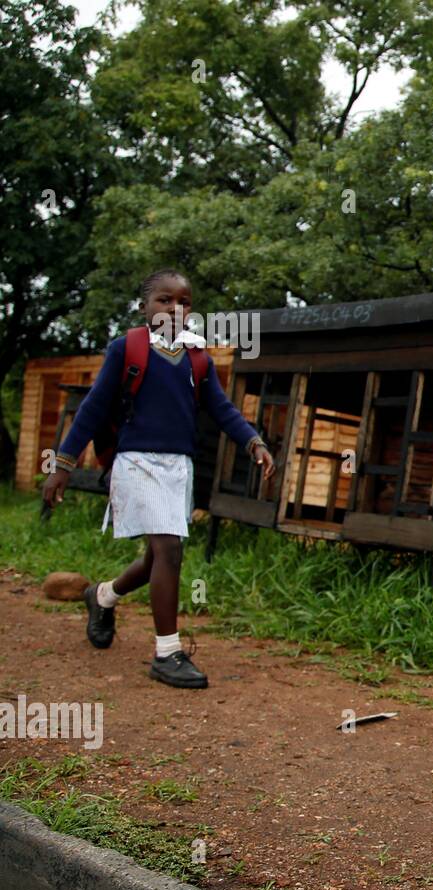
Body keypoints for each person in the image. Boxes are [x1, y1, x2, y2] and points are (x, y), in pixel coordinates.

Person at [42, 269, 275, 689]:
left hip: (177, 468)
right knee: (168, 549)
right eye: (164, 300)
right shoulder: (125, 348)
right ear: (144, 306)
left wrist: (253, 442)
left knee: (157, 558)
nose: (175, 308)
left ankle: (103, 596)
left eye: (183, 302)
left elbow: (221, 409)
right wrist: (62, 465)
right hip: (136, 463)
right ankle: (167, 653)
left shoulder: (197, 357)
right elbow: (94, 408)